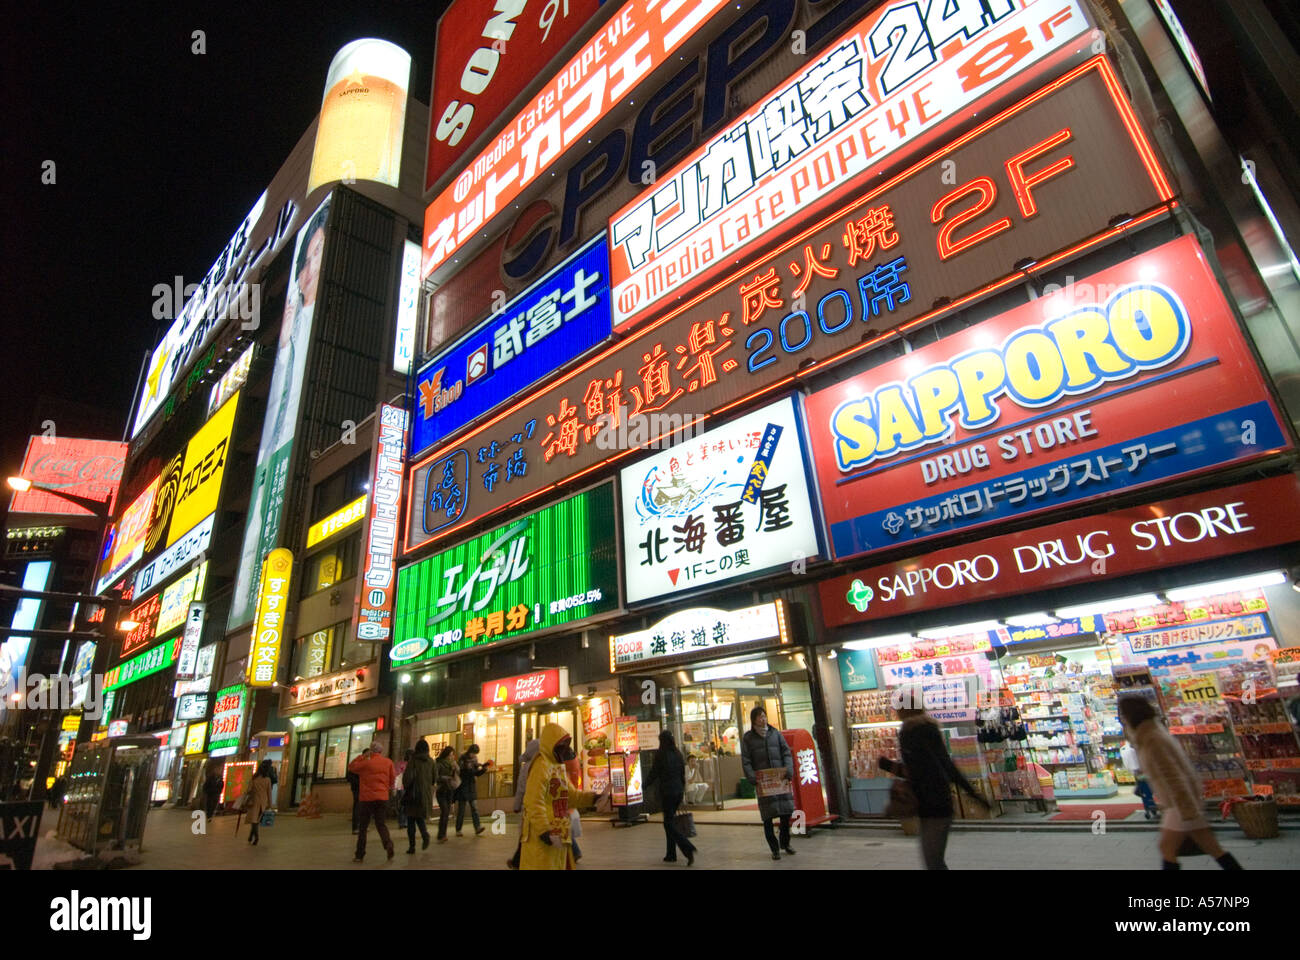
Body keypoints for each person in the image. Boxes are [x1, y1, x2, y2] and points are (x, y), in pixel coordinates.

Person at [1118, 697, 1243, 870]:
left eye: (1123, 715)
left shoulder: (1151, 738)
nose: (1122, 719)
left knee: (1167, 848)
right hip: (1182, 801)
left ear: (1131, 715)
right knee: (1212, 848)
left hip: (1181, 802)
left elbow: (1172, 775)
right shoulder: (1150, 733)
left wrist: (1185, 807)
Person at [879, 689, 989, 869]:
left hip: (931, 803)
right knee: (934, 860)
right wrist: (974, 794)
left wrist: (889, 766)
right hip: (940, 800)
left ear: (904, 711)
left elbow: (918, 770)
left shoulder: (910, 732)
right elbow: (946, 764)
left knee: (933, 861)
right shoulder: (929, 728)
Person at [519, 723, 592, 870]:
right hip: (543, 839)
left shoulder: (557, 766)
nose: (564, 750)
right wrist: (544, 831)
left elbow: (569, 796)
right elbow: (534, 802)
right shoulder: (541, 766)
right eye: (561, 746)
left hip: (557, 833)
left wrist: (593, 798)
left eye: (565, 745)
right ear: (551, 745)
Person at [741, 706, 797, 860]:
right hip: (764, 784)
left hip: (780, 781)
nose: (763, 719)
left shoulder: (775, 733)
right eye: (759, 717)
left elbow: (786, 752)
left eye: (764, 716)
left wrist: (788, 770)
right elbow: (746, 760)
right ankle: (774, 849)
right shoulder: (748, 738)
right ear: (753, 720)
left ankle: (785, 843)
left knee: (786, 814)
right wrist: (752, 777)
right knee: (767, 818)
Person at [645, 728, 696, 865]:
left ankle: (687, 848)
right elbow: (682, 774)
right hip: (678, 791)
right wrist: (682, 789)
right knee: (670, 821)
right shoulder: (678, 753)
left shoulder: (661, 754)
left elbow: (654, 773)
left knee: (668, 823)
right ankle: (671, 854)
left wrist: (644, 785)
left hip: (667, 793)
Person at [348, 742, 396, 862]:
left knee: (363, 827)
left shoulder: (366, 763)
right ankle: (388, 844)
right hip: (382, 797)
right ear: (381, 751)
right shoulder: (388, 762)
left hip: (366, 799)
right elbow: (392, 779)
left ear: (371, 751)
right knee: (381, 824)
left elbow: (351, 766)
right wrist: (386, 788)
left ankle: (360, 854)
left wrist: (362, 756)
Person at [507, 738, 541, 870]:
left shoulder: (527, 766)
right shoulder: (541, 764)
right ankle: (517, 861)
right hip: (536, 806)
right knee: (529, 834)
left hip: (529, 806)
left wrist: (516, 806)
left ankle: (517, 861)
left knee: (526, 834)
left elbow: (521, 788)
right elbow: (522, 788)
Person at [402, 741, 435, 853]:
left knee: (411, 819)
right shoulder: (431, 762)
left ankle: (412, 847)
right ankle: (425, 835)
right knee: (419, 817)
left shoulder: (413, 761)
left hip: (413, 794)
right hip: (426, 795)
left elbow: (407, 779)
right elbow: (435, 778)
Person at [455, 744, 492, 837]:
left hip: (471, 785)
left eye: (475, 754)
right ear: (469, 751)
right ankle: (458, 829)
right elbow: (461, 772)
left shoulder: (475, 759)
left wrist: (483, 769)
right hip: (463, 786)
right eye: (472, 753)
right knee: (461, 810)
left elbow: (475, 773)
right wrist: (471, 770)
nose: (473, 755)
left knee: (474, 808)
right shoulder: (462, 759)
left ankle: (477, 827)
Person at [1121, 738, 1158, 819]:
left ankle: (1150, 808)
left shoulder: (1126, 749)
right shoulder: (1132, 750)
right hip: (1142, 772)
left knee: (1144, 791)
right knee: (1146, 791)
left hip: (1139, 773)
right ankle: (1151, 808)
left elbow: (1128, 764)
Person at [240, 760, 275, 847]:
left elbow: (248, 790)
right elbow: (269, 793)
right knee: (256, 820)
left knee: (254, 820)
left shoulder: (254, 779)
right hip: (263, 803)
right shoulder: (267, 780)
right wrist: (270, 805)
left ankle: (254, 837)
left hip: (253, 801)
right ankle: (252, 836)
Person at [434, 746, 458, 842]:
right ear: (446, 755)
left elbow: (455, 775)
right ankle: (441, 834)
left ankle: (443, 833)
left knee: (447, 812)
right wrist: (445, 778)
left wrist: (454, 769)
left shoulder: (452, 764)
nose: (452, 757)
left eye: (453, 755)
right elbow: (436, 777)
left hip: (449, 790)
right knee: (444, 811)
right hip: (441, 790)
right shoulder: (439, 763)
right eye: (451, 755)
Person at [346, 748, 365, 834]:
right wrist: (360, 783)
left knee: (361, 807)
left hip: (359, 788)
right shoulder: (358, 764)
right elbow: (350, 776)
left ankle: (360, 826)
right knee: (358, 807)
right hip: (358, 789)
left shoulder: (356, 763)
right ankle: (356, 827)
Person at [395, 749, 412, 830]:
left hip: (408, 787)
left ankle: (406, 821)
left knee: (406, 805)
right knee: (403, 805)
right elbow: (398, 776)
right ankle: (402, 822)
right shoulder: (401, 764)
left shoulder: (411, 764)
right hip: (402, 786)